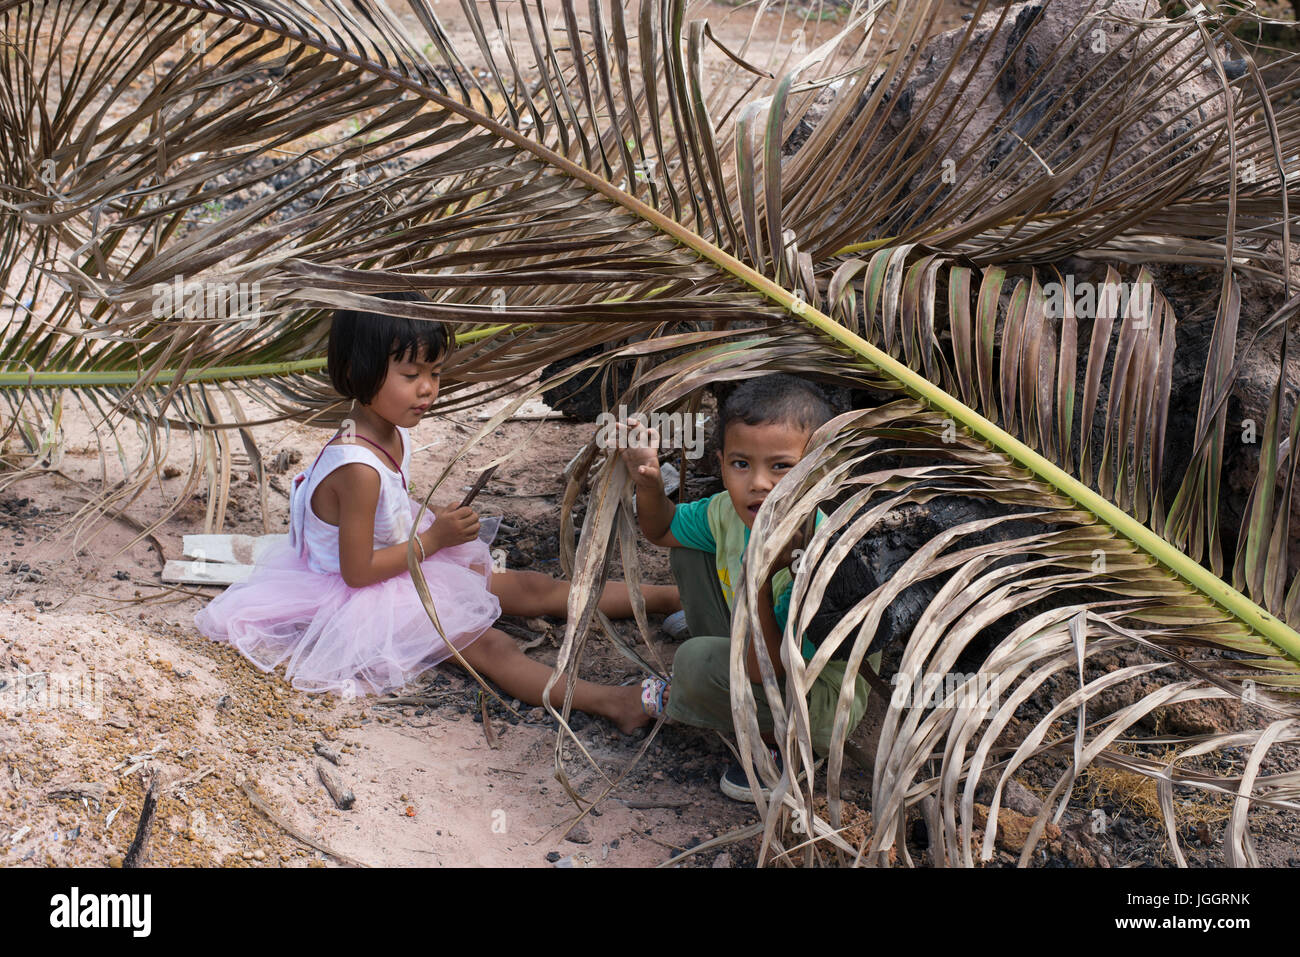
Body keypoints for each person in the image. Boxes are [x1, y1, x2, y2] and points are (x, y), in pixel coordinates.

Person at [196, 293, 679, 733]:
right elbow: (358, 572)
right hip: (360, 593)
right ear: (358, 370)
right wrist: (437, 540)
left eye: (435, 373)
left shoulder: (389, 428)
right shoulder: (356, 468)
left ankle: (671, 598)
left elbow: (390, 515)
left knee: (533, 587)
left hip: (402, 559)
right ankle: (613, 703)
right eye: (411, 376)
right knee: (492, 647)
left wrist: (432, 536)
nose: (428, 389)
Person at [621, 374, 873, 800]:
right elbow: (662, 529)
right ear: (720, 463)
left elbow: (770, 669)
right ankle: (721, 670)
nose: (758, 483)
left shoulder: (825, 552)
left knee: (695, 663)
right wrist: (647, 482)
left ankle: (779, 745)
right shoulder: (727, 511)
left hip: (816, 696)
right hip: (760, 654)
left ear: (820, 469)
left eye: (781, 466)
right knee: (690, 549)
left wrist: (758, 577)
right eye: (741, 464)